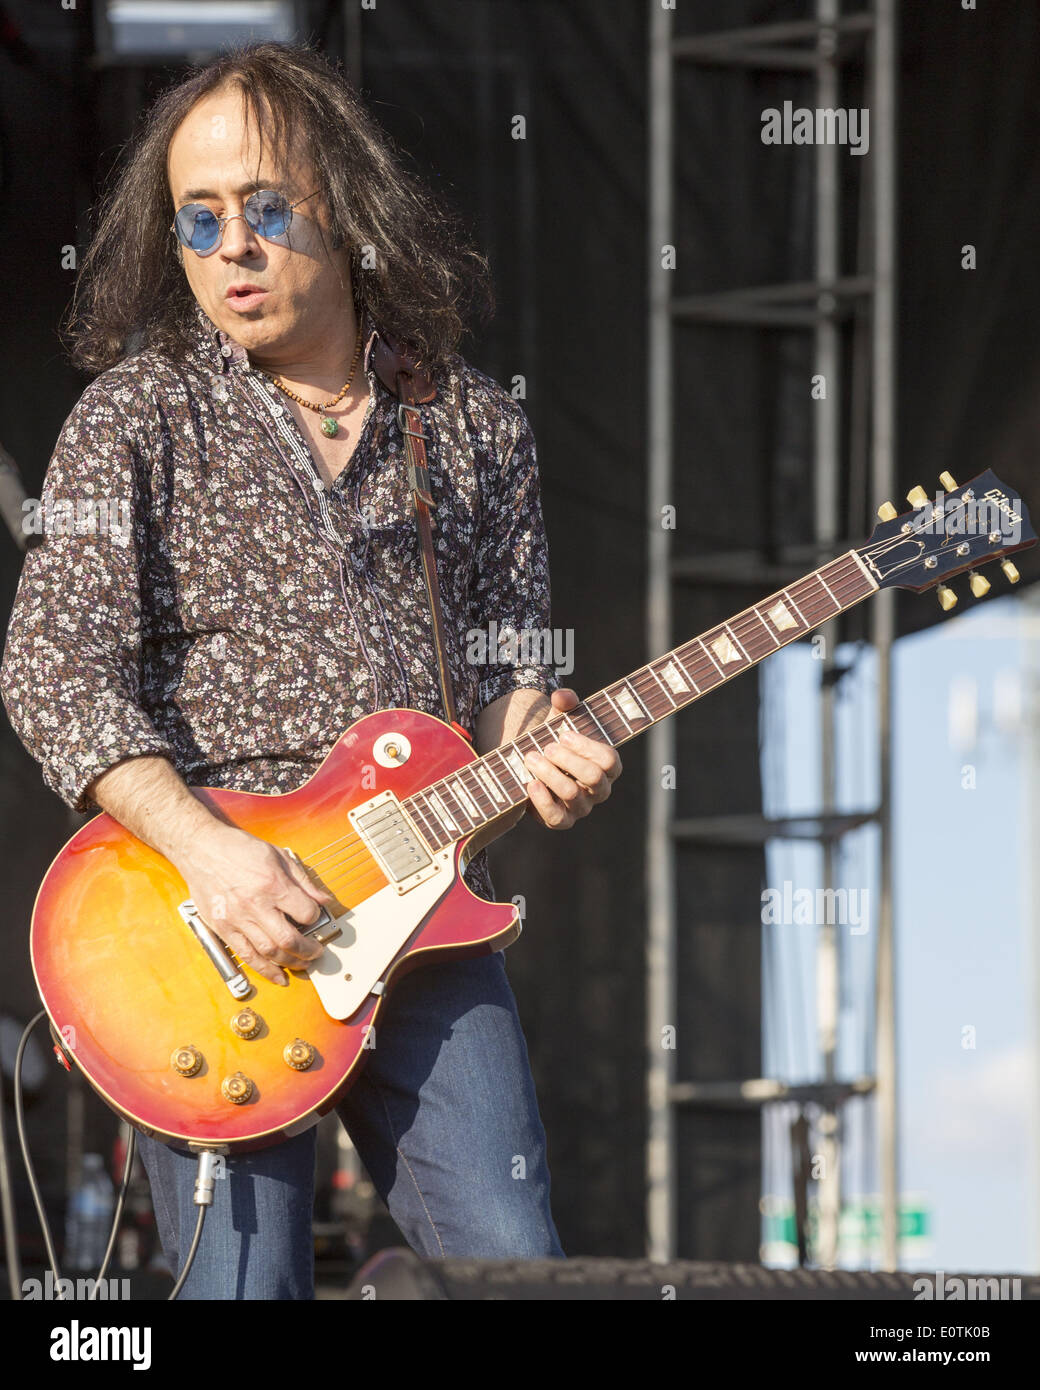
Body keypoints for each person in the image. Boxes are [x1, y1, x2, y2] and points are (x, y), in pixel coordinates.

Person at [0, 42, 621, 1299]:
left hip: (430, 919)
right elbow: (52, 671)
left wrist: (546, 742)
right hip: (214, 923)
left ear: (345, 208)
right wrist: (213, 856)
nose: (231, 246)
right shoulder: (137, 415)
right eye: (198, 219)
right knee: (243, 1290)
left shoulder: (474, 422)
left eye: (264, 208)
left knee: (516, 1271)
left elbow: (503, 670)